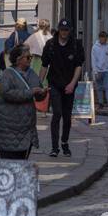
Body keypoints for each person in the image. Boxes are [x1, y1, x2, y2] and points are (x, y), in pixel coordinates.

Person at [41, 18, 85, 157]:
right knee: (57, 113)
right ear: (58, 30)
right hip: (54, 83)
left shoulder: (76, 45)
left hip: (69, 85)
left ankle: (64, 142)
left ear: (69, 31)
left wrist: (72, 83)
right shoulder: (50, 45)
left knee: (67, 116)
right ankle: (55, 147)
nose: (64, 32)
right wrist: (38, 83)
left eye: (66, 30)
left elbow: (79, 66)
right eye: (62, 29)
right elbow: (44, 65)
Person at [0, 45, 42, 160]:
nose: (30, 59)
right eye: (28, 57)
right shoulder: (7, 74)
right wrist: (30, 92)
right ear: (18, 59)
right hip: (9, 128)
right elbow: (7, 93)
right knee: (10, 163)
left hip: (26, 128)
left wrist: (41, 93)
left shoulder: (31, 73)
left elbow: (37, 90)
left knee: (22, 162)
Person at [91, 30, 108, 112]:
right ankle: (100, 103)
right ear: (99, 38)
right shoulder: (95, 47)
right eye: (102, 38)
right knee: (99, 88)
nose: (103, 40)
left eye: (105, 38)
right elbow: (93, 60)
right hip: (98, 70)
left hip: (107, 70)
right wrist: (95, 72)